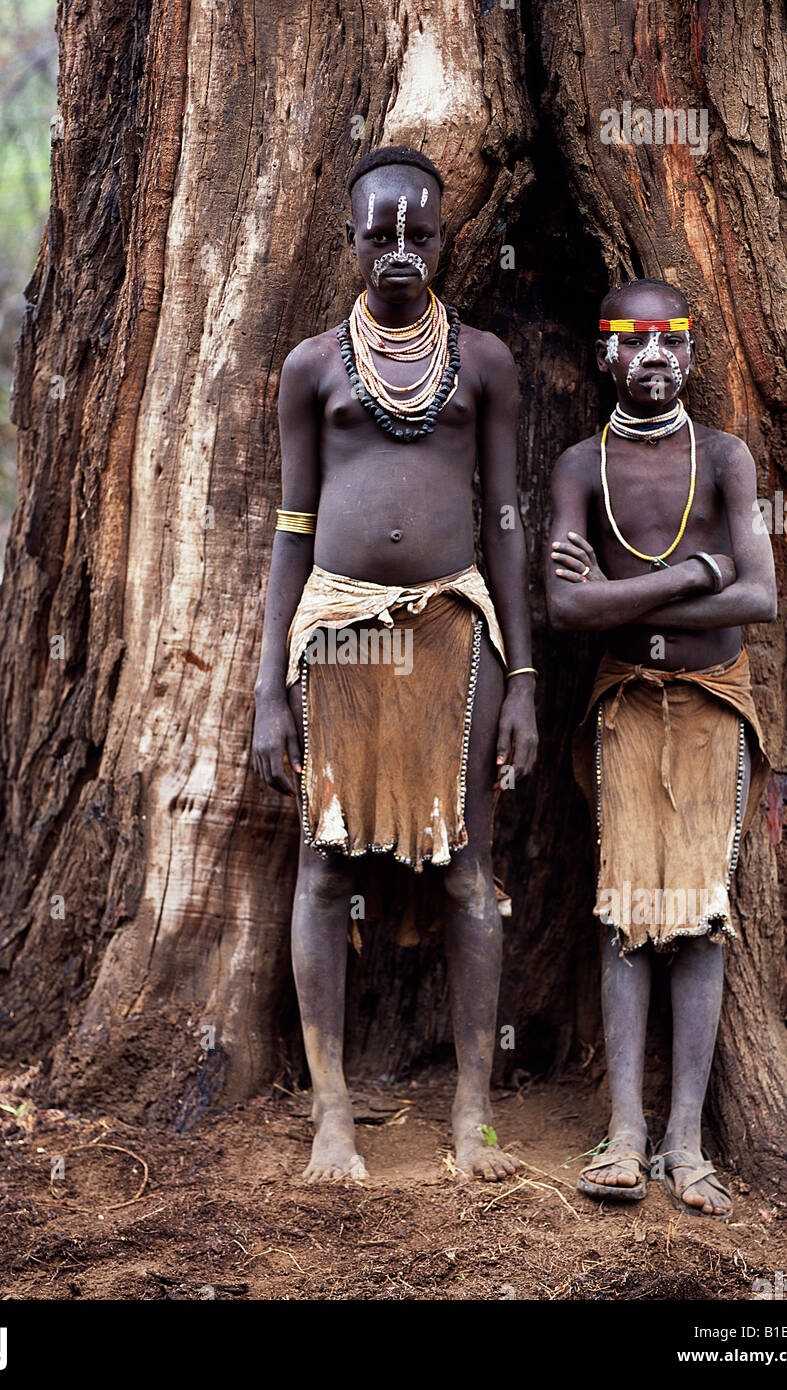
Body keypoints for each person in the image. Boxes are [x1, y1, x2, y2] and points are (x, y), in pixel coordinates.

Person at [252, 145, 538, 1182]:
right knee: (326, 864)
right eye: (382, 233)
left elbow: (506, 524)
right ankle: (331, 1113)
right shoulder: (314, 367)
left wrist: (529, 680)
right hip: (337, 632)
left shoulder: (487, 364)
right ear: (351, 240)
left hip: (454, 635)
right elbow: (290, 527)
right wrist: (265, 689)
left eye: (420, 231)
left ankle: (471, 1118)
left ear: (447, 239)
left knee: (466, 868)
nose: (402, 251)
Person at [546, 278, 776, 1217]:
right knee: (626, 907)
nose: (653, 357)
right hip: (626, 704)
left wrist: (621, 594)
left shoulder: (723, 457)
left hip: (714, 699)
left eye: (671, 341)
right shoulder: (578, 466)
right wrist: (694, 574)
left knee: (700, 914)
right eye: (633, 341)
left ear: (691, 353)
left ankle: (686, 1141)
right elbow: (565, 609)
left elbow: (758, 596)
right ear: (604, 355)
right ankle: (627, 1134)